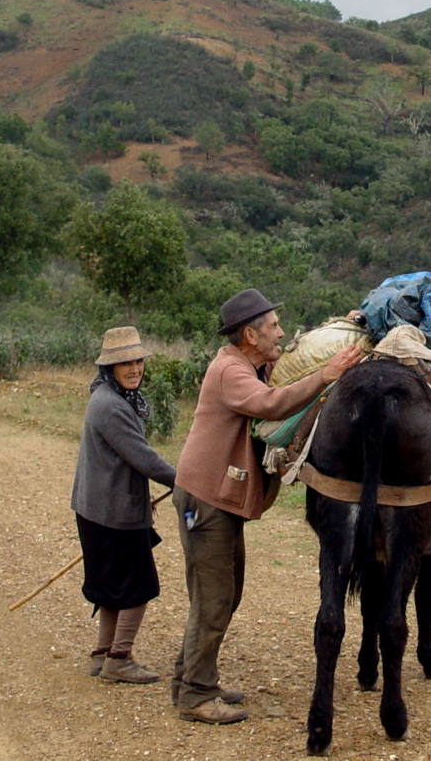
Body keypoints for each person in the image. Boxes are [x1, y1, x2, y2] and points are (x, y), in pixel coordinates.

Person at [171, 289, 363, 724]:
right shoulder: (230, 372)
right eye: (273, 327)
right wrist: (326, 375)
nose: (280, 332)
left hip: (216, 499)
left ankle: (189, 678)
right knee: (215, 597)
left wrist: (338, 326)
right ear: (249, 334)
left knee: (221, 593)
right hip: (207, 502)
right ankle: (196, 696)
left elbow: (294, 359)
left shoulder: (251, 363)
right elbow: (270, 403)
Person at [71, 326, 178, 684]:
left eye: (138, 361)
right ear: (109, 368)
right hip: (114, 514)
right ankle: (120, 657)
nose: (134, 369)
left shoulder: (106, 398)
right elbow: (142, 458)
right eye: (125, 363)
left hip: (97, 508)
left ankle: (103, 654)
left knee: (110, 587)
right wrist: (186, 482)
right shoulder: (112, 406)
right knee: (139, 586)